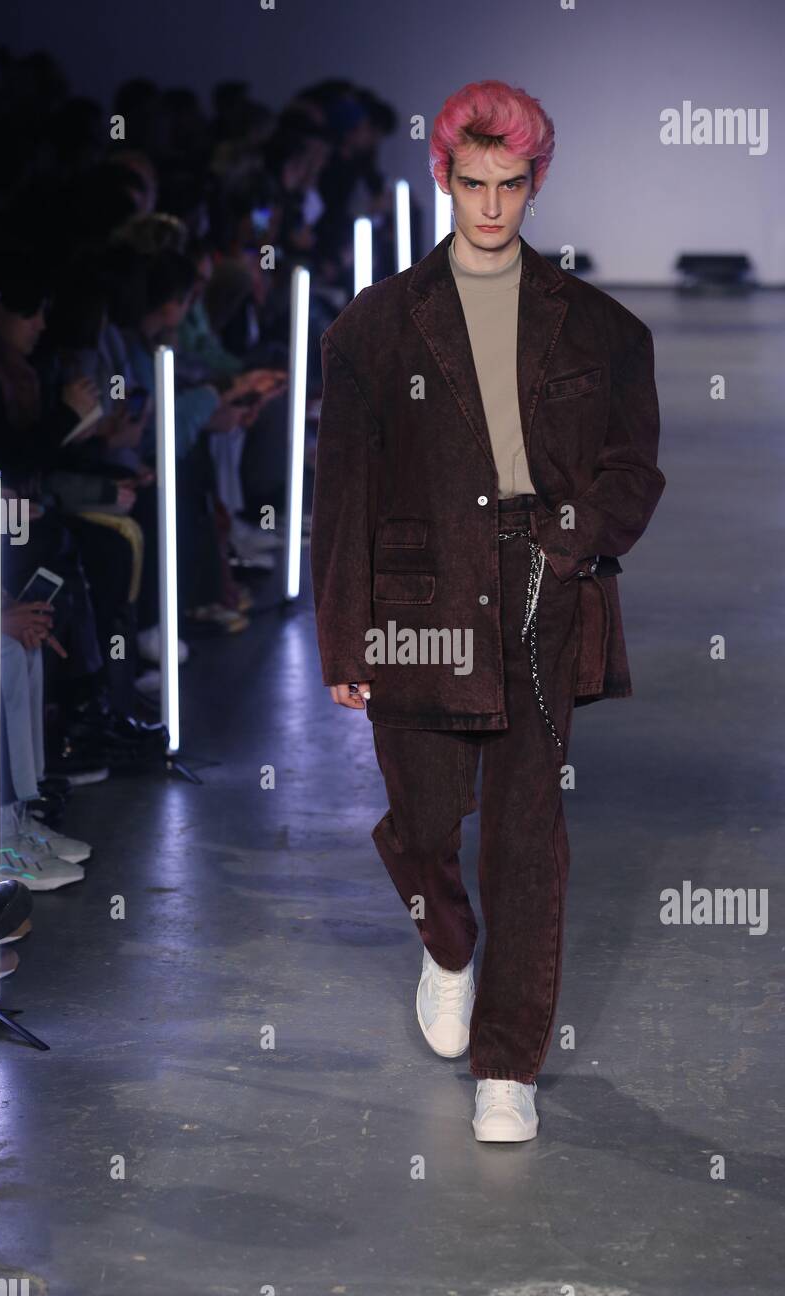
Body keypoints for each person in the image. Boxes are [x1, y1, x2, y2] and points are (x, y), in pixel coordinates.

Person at [310, 79, 664, 1143]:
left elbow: (632, 471)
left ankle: (505, 1065)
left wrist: (568, 542)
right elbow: (341, 494)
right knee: (422, 823)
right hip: (416, 589)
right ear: (443, 179)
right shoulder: (375, 327)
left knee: (523, 833)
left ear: (534, 182)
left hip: (536, 588)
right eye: (474, 184)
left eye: (511, 185)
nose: (493, 206)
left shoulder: (598, 328)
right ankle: (447, 940)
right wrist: (343, 634)